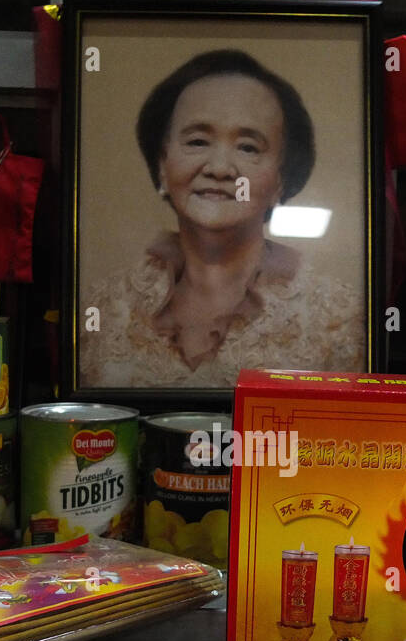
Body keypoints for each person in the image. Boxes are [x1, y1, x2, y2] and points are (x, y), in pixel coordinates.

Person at [79, 49, 365, 389]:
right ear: (162, 165)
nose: (219, 169)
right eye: (198, 141)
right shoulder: (105, 305)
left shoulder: (338, 317)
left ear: (281, 180)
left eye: (248, 147)